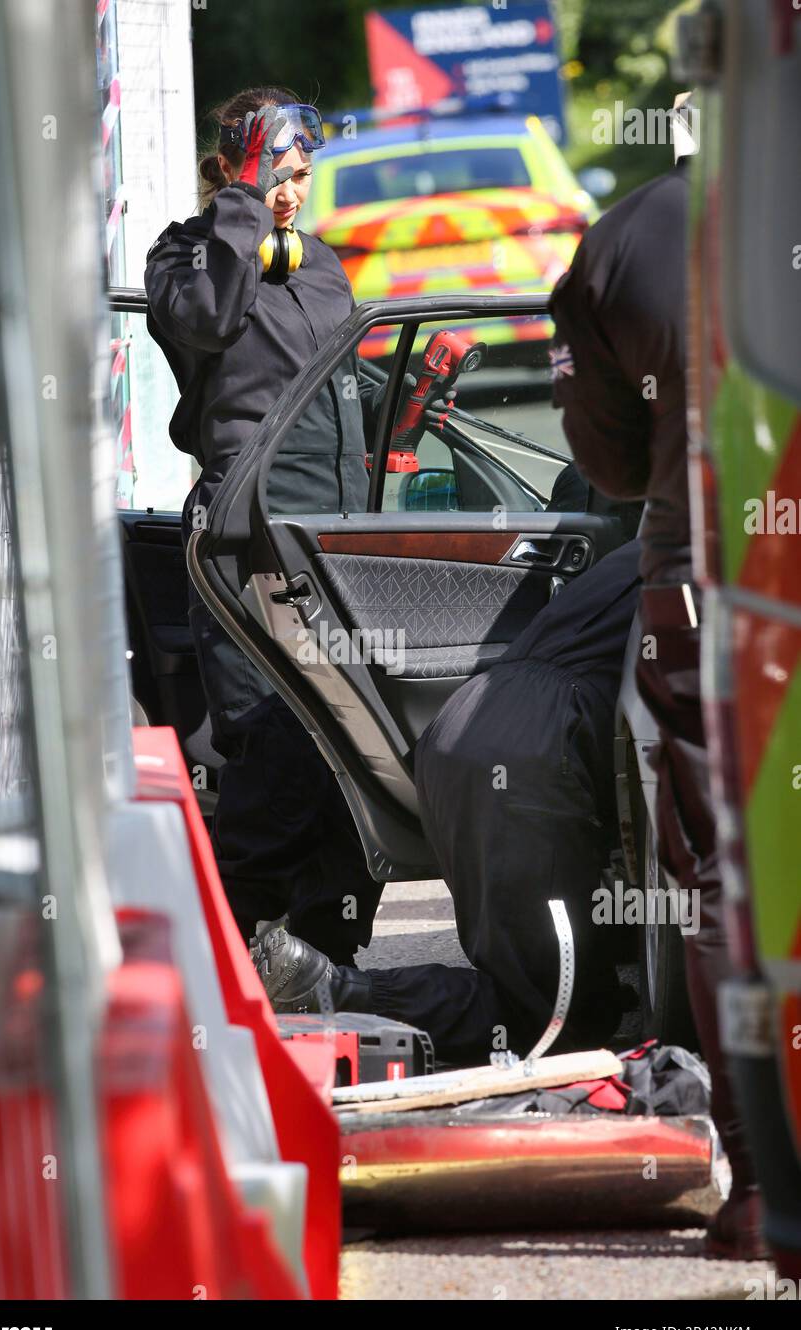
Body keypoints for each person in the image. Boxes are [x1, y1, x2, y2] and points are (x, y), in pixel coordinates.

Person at [545, 95, 764, 1260]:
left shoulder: (628, 238)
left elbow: (609, 460)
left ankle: (766, 1193)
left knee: (729, 886)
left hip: (704, 598)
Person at [144, 89, 386, 963]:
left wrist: (407, 399)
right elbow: (207, 320)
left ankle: (331, 960)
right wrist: (240, 210)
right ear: (239, 172)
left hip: (332, 540)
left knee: (347, 759)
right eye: (276, 175)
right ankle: (228, 954)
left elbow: (333, 386)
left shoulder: (320, 264)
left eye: (300, 176)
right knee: (271, 753)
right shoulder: (185, 255)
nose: (292, 192)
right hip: (247, 541)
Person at [253, 540, 643, 1064]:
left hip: (465, 731)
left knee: (563, 986)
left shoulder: (658, 540)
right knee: (553, 1020)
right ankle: (328, 992)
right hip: (532, 753)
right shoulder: (720, 549)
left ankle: (323, 992)